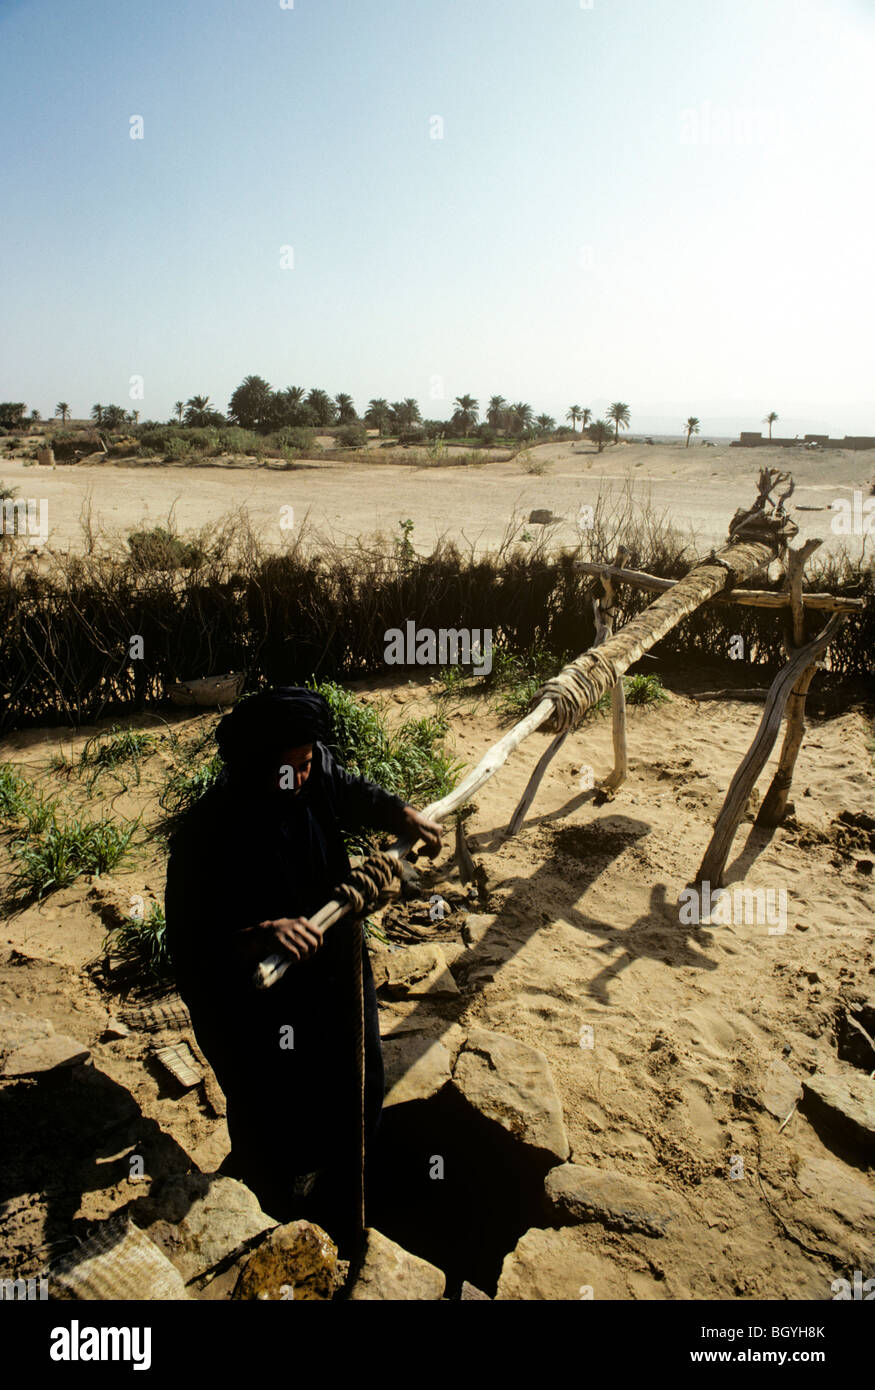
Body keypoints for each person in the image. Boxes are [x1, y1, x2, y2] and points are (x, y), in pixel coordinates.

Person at [163, 686, 441, 1247]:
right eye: (283, 770)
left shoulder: (313, 769)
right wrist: (257, 934)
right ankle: (270, 1212)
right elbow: (190, 942)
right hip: (258, 997)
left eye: (306, 765)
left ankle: (350, 1197)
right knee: (272, 1106)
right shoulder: (206, 835)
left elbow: (351, 789)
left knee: (356, 1082)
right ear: (251, 767)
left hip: (334, 963)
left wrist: (398, 811)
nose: (297, 779)